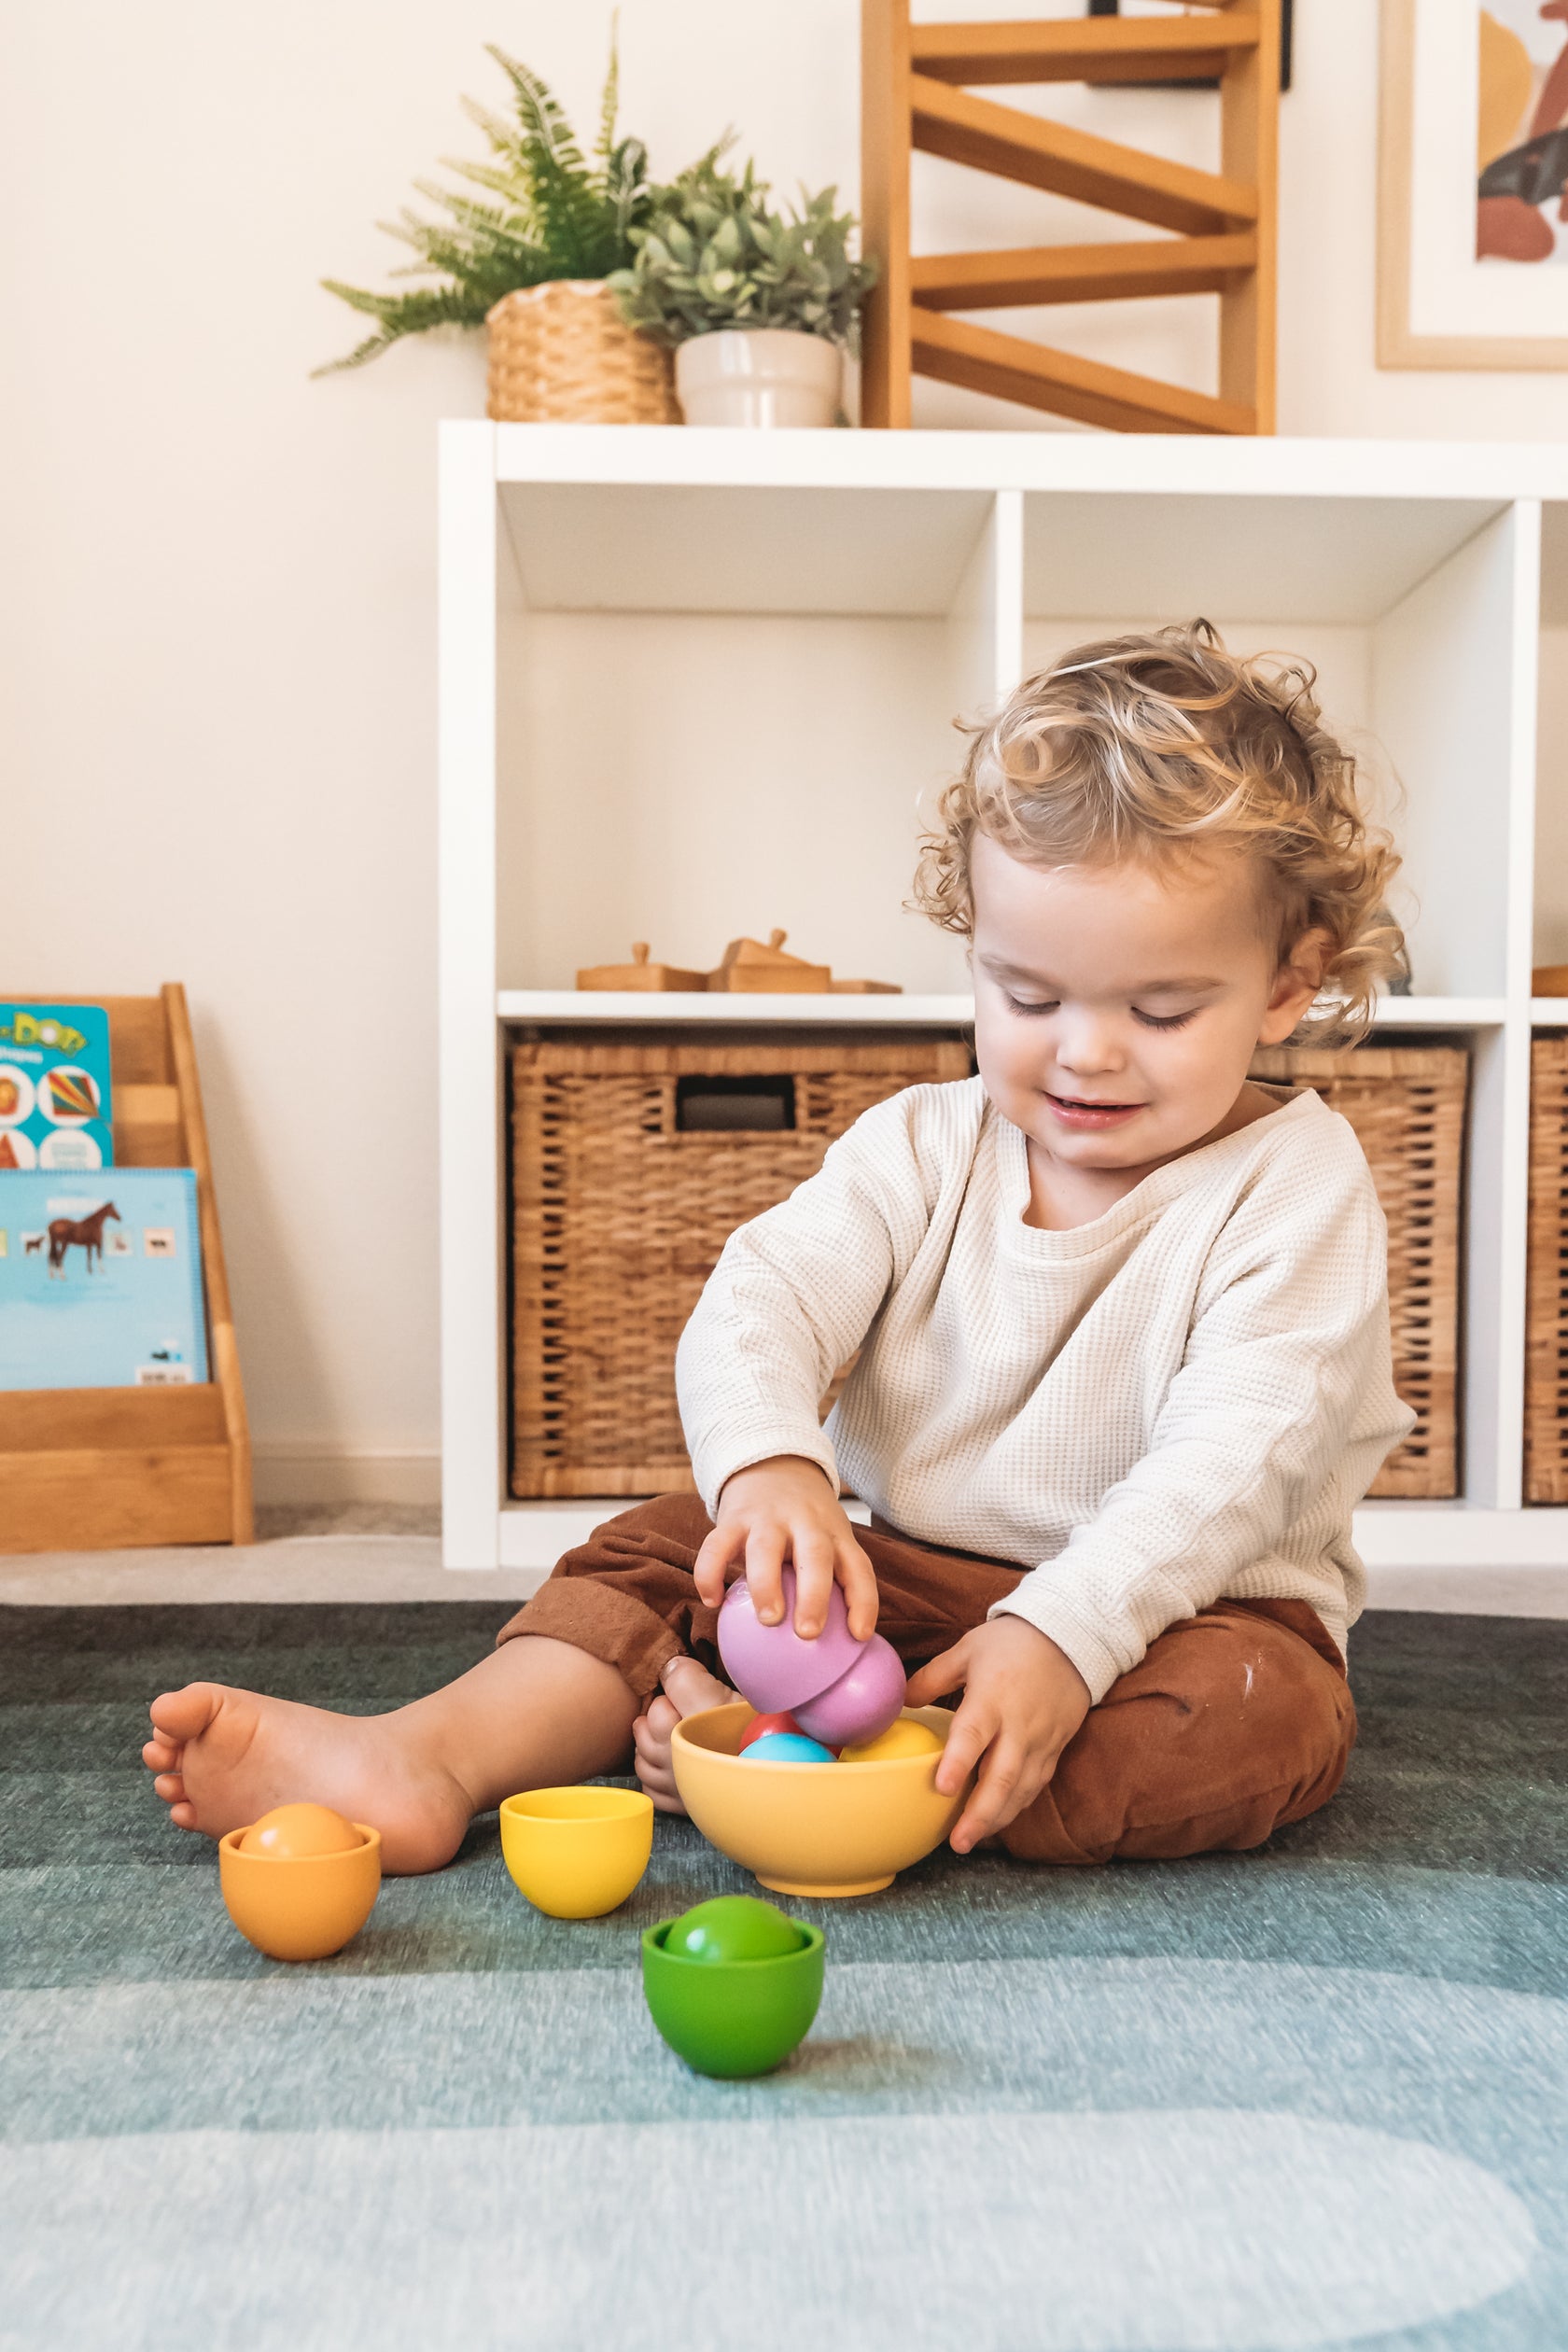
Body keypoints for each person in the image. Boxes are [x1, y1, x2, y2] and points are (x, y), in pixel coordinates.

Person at [143, 622, 1414, 1874]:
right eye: (1027, 997)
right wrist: (771, 1476)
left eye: (1161, 1008)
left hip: (1185, 1610)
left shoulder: (1296, 1187)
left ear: (1290, 986)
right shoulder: (921, 1145)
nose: (1083, 1050)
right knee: (664, 1546)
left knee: (1253, 1721)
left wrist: (1064, 1636)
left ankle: (768, 1755)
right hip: (905, 1581)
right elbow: (763, 1302)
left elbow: (1225, 1471)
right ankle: (427, 1756)